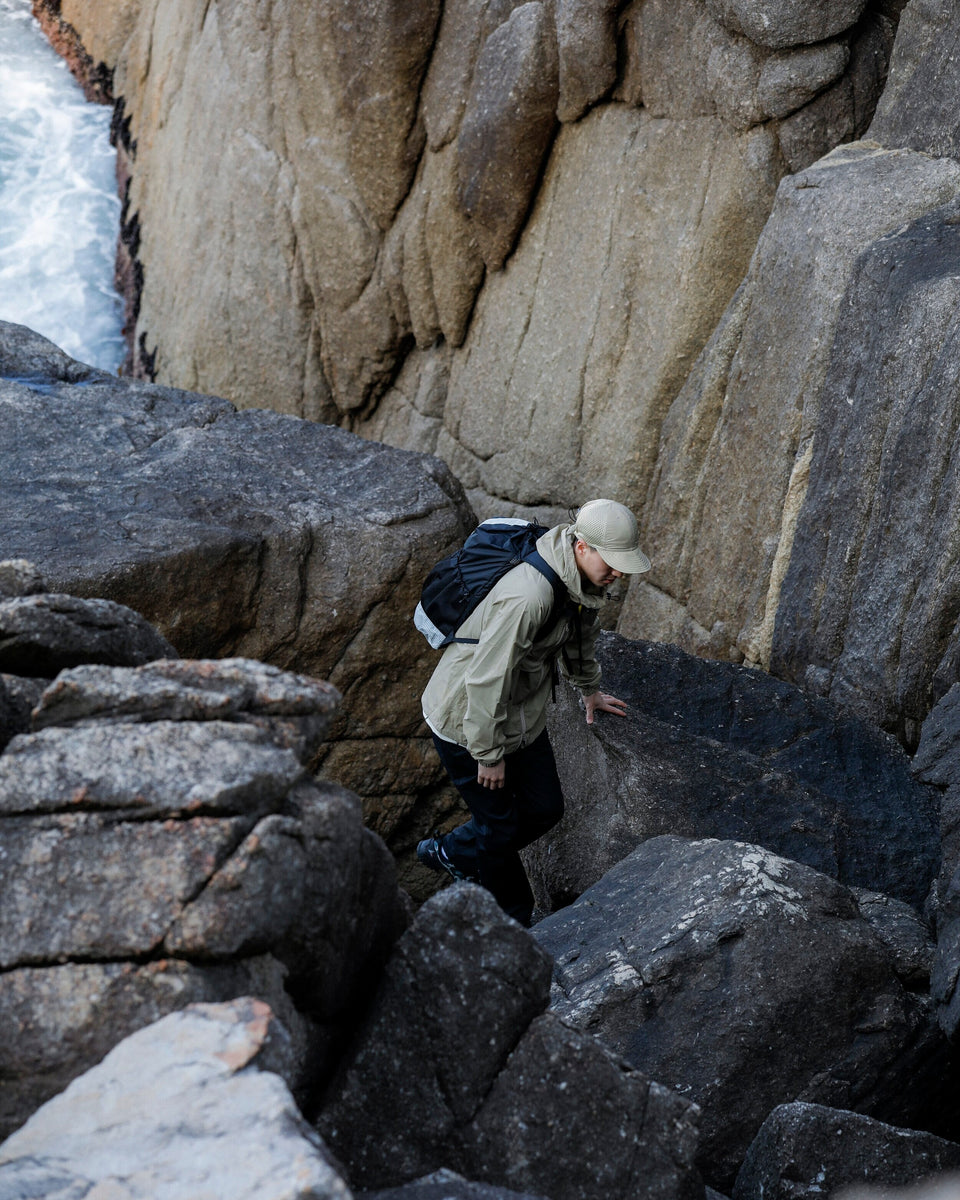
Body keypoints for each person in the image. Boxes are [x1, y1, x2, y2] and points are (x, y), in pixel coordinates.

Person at [416, 498, 651, 927]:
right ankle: (514, 923)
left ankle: (452, 852)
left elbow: (580, 637)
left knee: (546, 809)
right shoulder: (530, 595)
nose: (618, 572)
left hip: (520, 715)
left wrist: (590, 691)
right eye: (612, 561)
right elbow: (486, 678)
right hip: (466, 722)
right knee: (498, 830)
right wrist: (487, 755)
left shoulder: (579, 583)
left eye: (623, 563)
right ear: (582, 546)